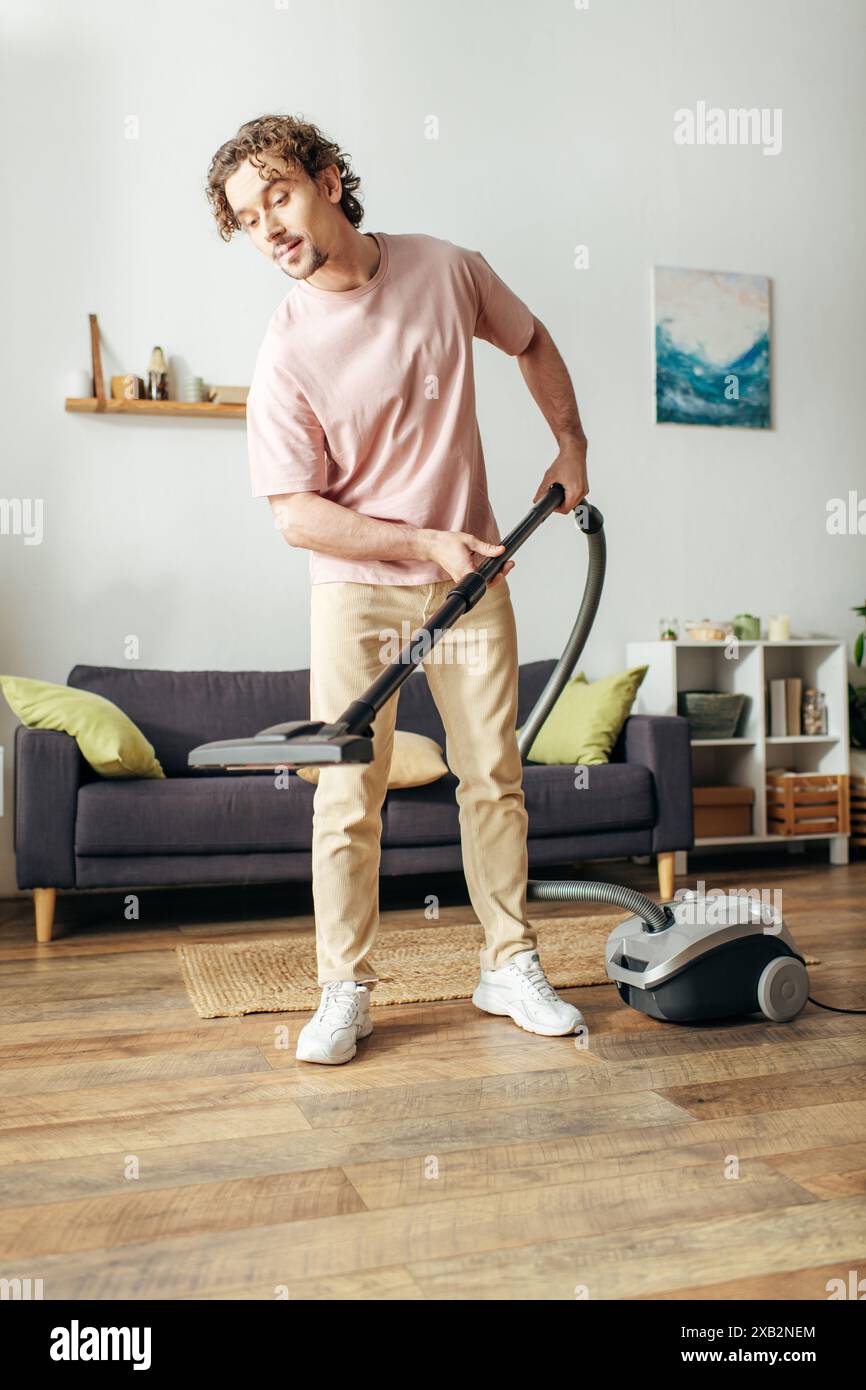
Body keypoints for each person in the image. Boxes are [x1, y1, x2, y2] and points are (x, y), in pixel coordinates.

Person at [206, 114, 590, 1065]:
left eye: (279, 197)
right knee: (346, 794)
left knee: (493, 779)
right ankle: (345, 988)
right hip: (358, 588)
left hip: (474, 578)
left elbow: (532, 340)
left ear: (329, 181)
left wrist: (572, 445)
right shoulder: (287, 347)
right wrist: (422, 541)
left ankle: (508, 965)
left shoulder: (448, 269)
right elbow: (296, 513)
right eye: (250, 220)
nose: (271, 229)